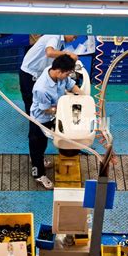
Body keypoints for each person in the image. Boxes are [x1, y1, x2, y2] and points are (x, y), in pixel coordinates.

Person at [29, 55, 83, 189]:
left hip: (54, 113)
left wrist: (84, 98)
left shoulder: (56, 72)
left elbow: (72, 85)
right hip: (40, 119)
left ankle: (39, 159)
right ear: (59, 71)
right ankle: (38, 174)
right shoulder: (42, 88)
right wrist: (65, 109)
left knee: (43, 144)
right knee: (37, 144)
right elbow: (46, 109)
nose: (67, 76)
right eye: (67, 74)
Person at [19, 35, 78, 115]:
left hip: (38, 73)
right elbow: (49, 53)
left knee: (38, 103)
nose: (74, 40)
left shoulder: (61, 43)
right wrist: (68, 55)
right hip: (29, 73)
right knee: (32, 104)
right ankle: (33, 121)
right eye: (74, 37)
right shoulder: (54, 37)